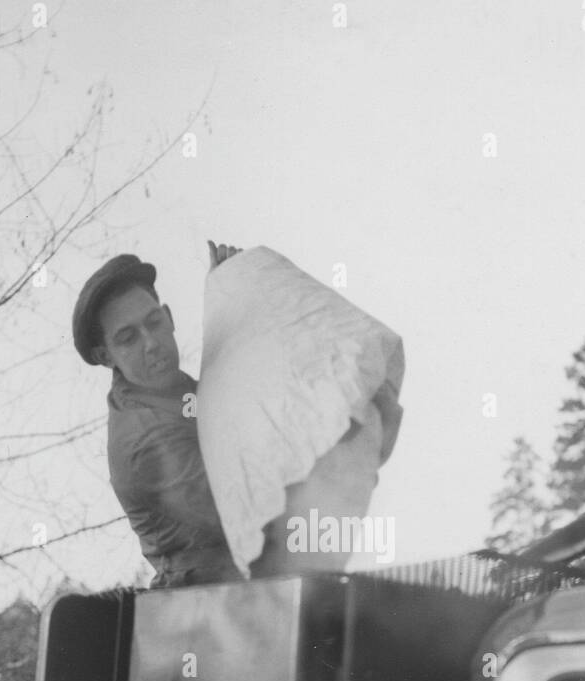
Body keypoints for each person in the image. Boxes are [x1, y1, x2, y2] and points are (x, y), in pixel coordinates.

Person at [72, 242, 403, 587]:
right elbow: (240, 508)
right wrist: (335, 458)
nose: (151, 342)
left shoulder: (180, 390)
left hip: (253, 580)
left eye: (154, 322)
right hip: (202, 603)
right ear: (105, 355)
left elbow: (263, 396)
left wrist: (235, 291)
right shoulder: (144, 440)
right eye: (128, 338)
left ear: (169, 318)